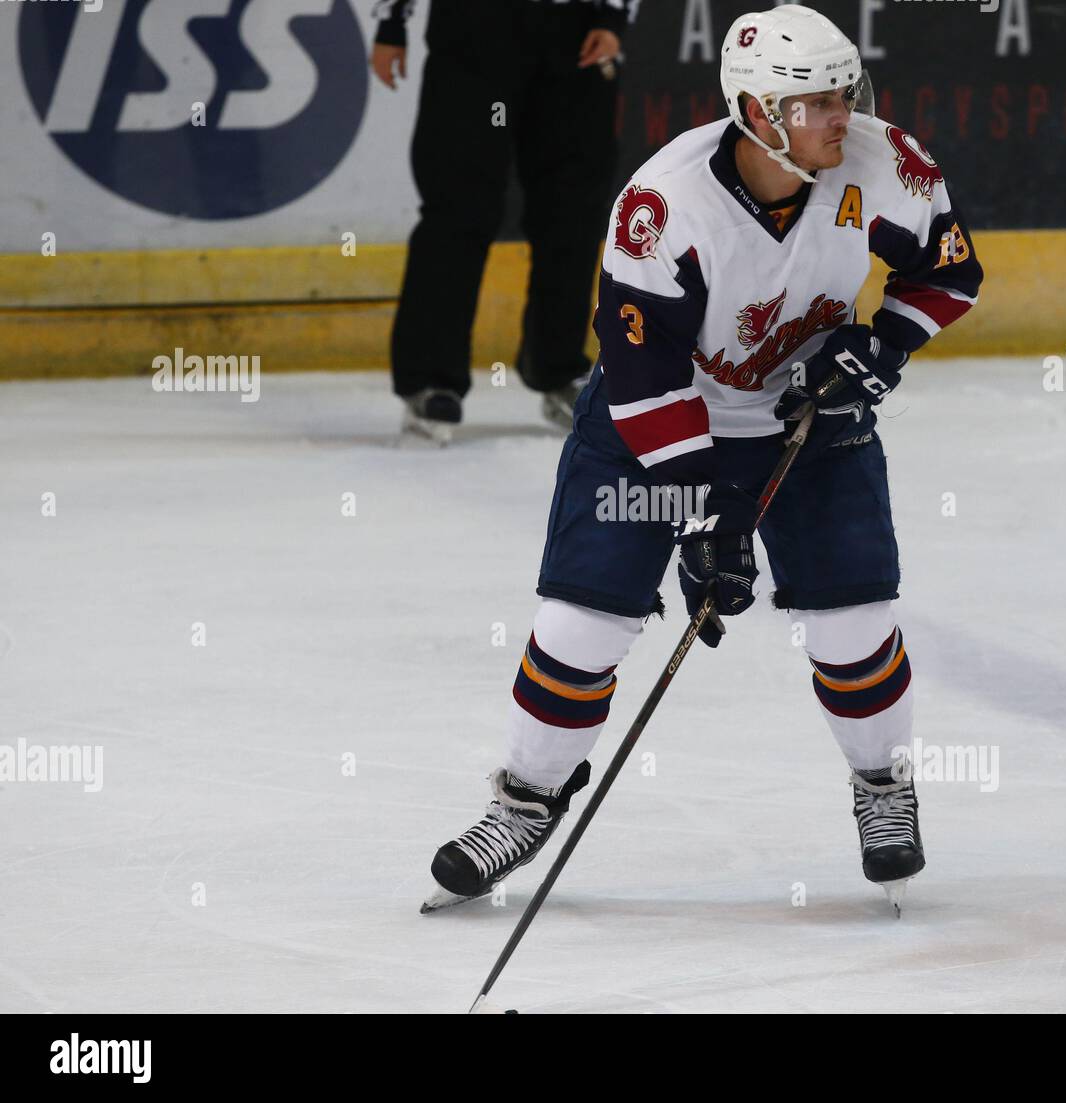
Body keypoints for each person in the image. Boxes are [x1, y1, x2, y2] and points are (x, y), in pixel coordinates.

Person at [420, 5, 983, 915]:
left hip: (811, 424)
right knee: (581, 628)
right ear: (761, 115)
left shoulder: (887, 164)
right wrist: (706, 523)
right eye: (819, 102)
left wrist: (876, 352)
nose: (846, 114)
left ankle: (882, 782)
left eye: (847, 92)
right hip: (655, 425)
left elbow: (949, 274)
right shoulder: (661, 206)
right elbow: (644, 382)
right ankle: (522, 802)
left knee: (854, 626)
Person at [370, 0, 627, 442]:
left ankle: (559, 369)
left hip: (576, 28)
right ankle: (430, 379)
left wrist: (612, 16)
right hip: (474, 26)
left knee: (572, 208)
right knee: (458, 204)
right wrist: (392, 20)